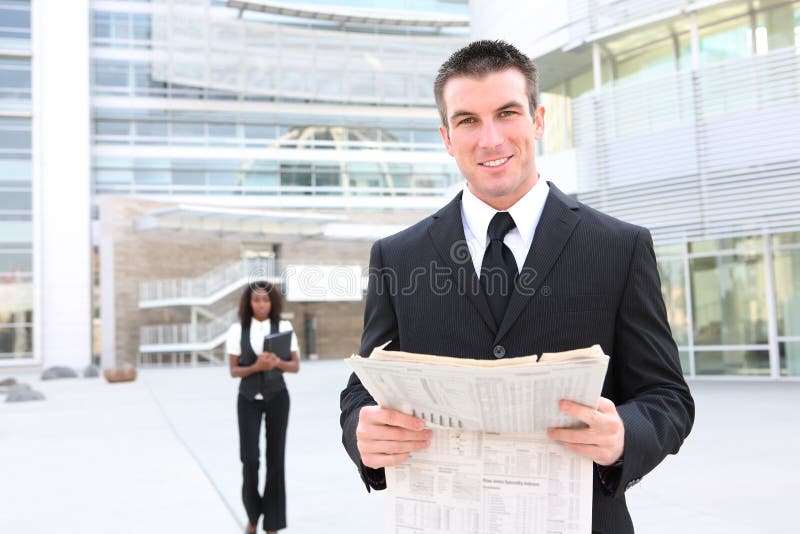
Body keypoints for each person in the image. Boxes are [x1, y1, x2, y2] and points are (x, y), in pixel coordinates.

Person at [339, 40, 694, 534]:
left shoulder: (620, 246)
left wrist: (623, 437)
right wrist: (363, 434)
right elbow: (364, 387)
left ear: (538, 120)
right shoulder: (397, 257)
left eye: (507, 112)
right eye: (467, 120)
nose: (490, 139)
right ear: (447, 137)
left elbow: (667, 396)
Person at [228, 282, 299, 534]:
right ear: (249, 303)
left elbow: (295, 366)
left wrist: (276, 362)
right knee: (249, 460)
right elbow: (233, 370)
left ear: (272, 303)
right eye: (256, 300)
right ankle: (253, 515)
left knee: (275, 460)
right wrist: (256, 367)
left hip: (277, 397)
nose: (261, 305)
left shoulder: (284, 327)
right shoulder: (238, 330)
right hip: (248, 399)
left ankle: (273, 524)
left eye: (265, 301)